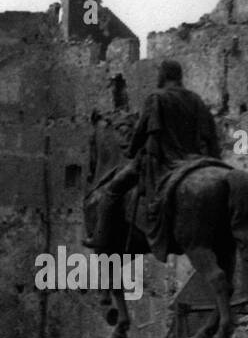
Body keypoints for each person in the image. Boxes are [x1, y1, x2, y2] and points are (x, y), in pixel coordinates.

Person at [87, 59, 221, 256]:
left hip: (162, 163)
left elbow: (141, 132)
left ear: (164, 75)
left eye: (159, 72)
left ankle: (101, 237)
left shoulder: (156, 98)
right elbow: (210, 134)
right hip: (194, 161)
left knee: (111, 191)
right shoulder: (195, 99)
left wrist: (131, 150)